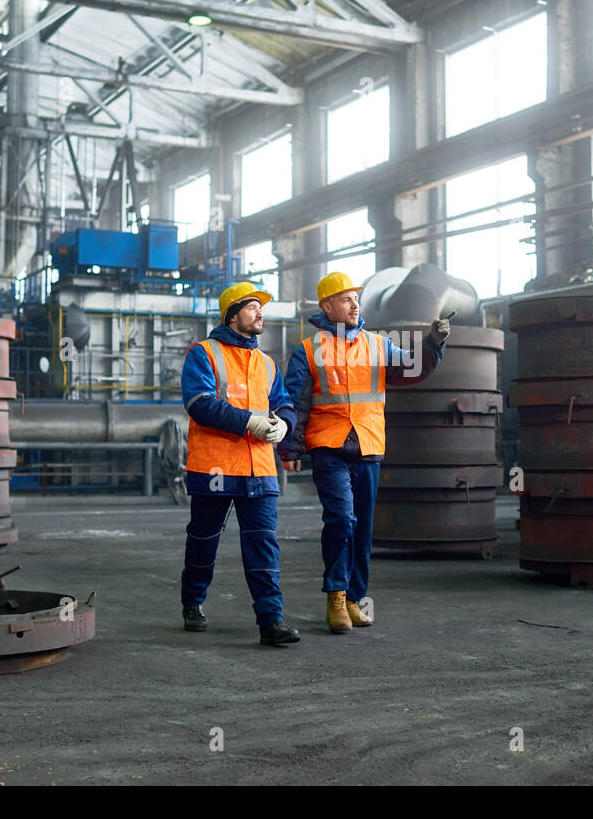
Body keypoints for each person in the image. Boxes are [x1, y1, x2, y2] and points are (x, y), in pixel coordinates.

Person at [279, 272, 449, 633]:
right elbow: (295, 402)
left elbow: (411, 368)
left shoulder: (378, 344)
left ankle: (355, 599)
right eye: (345, 299)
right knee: (342, 519)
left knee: (362, 529)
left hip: (369, 445)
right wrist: (289, 445)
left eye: (356, 298)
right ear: (327, 307)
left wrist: (433, 343)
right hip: (330, 445)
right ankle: (336, 595)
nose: (355, 304)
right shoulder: (308, 351)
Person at [179, 281, 300, 646]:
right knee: (204, 541)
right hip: (214, 468)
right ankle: (192, 602)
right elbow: (198, 402)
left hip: (259, 470)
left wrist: (285, 424)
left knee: (263, 543)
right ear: (233, 316)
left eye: (260, 307)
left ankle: (271, 620)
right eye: (252, 307)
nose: (260, 313)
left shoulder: (266, 363)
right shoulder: (204, 353)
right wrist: (249, 420)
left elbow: (285, 403)